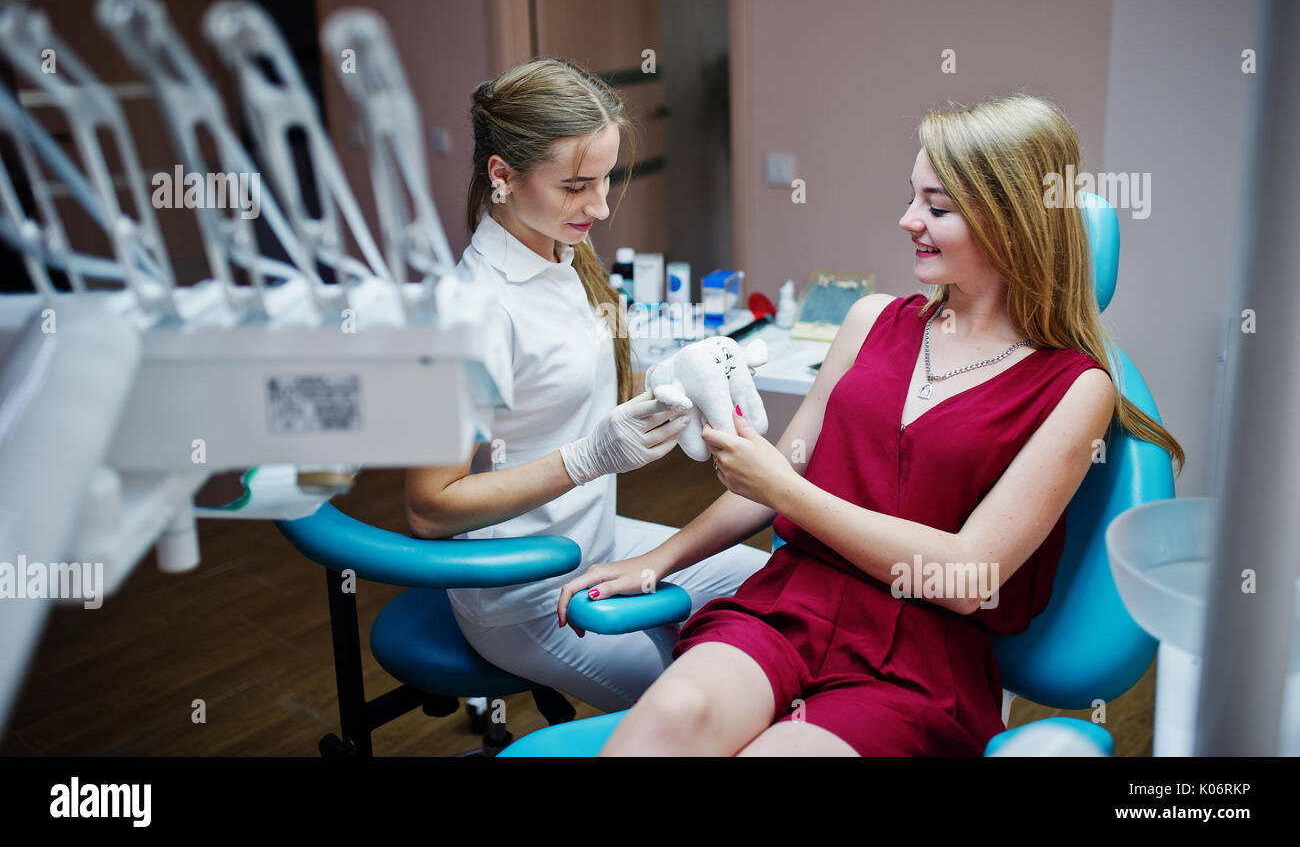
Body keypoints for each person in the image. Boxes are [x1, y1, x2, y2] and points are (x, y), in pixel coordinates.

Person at [557, 93, 1186, 755]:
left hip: (916, 657)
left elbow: (969, 577)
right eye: (913, 196)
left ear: (1011, 222)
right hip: (789, 605)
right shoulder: (870, 323)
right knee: (669, 718)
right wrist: (657, 560)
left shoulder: (1075, 388)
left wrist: (783, 491)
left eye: (937, 207)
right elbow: (777, 471)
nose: (908, 219)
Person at [404, 58, 767, 712]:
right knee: (709, 702)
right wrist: (586, 459)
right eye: (577, 185)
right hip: (523, 589)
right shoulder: (473, 310)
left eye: (605, 180)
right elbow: (429, 507)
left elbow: (570, 395)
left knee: (783, 587)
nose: (599, 206)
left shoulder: (563, 249)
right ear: (502, 176)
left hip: (598, 541)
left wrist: (670, 385)